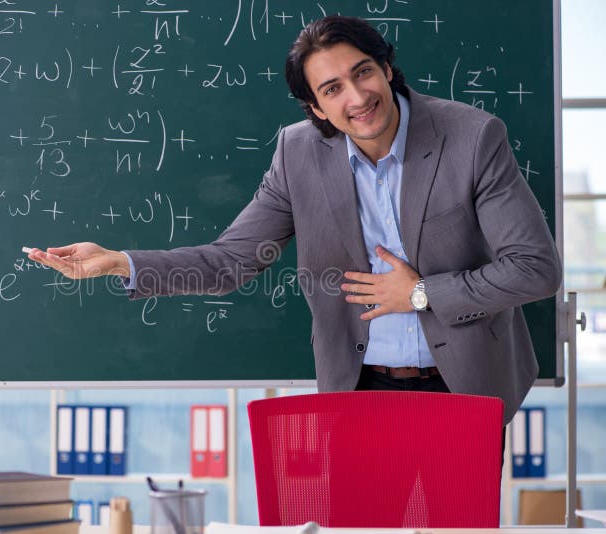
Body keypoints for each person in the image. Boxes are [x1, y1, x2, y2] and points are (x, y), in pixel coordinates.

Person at [29, 15, 561, 424]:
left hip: (463, 386)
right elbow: (231, 261)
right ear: (315, 107)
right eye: (333, 90)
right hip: (359, 390)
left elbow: (535, 268)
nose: (358, 98)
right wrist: (122, 262)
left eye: (363, 73)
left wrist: (420, 294)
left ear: (387, 69)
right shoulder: (297, 153)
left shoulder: (471, 137)